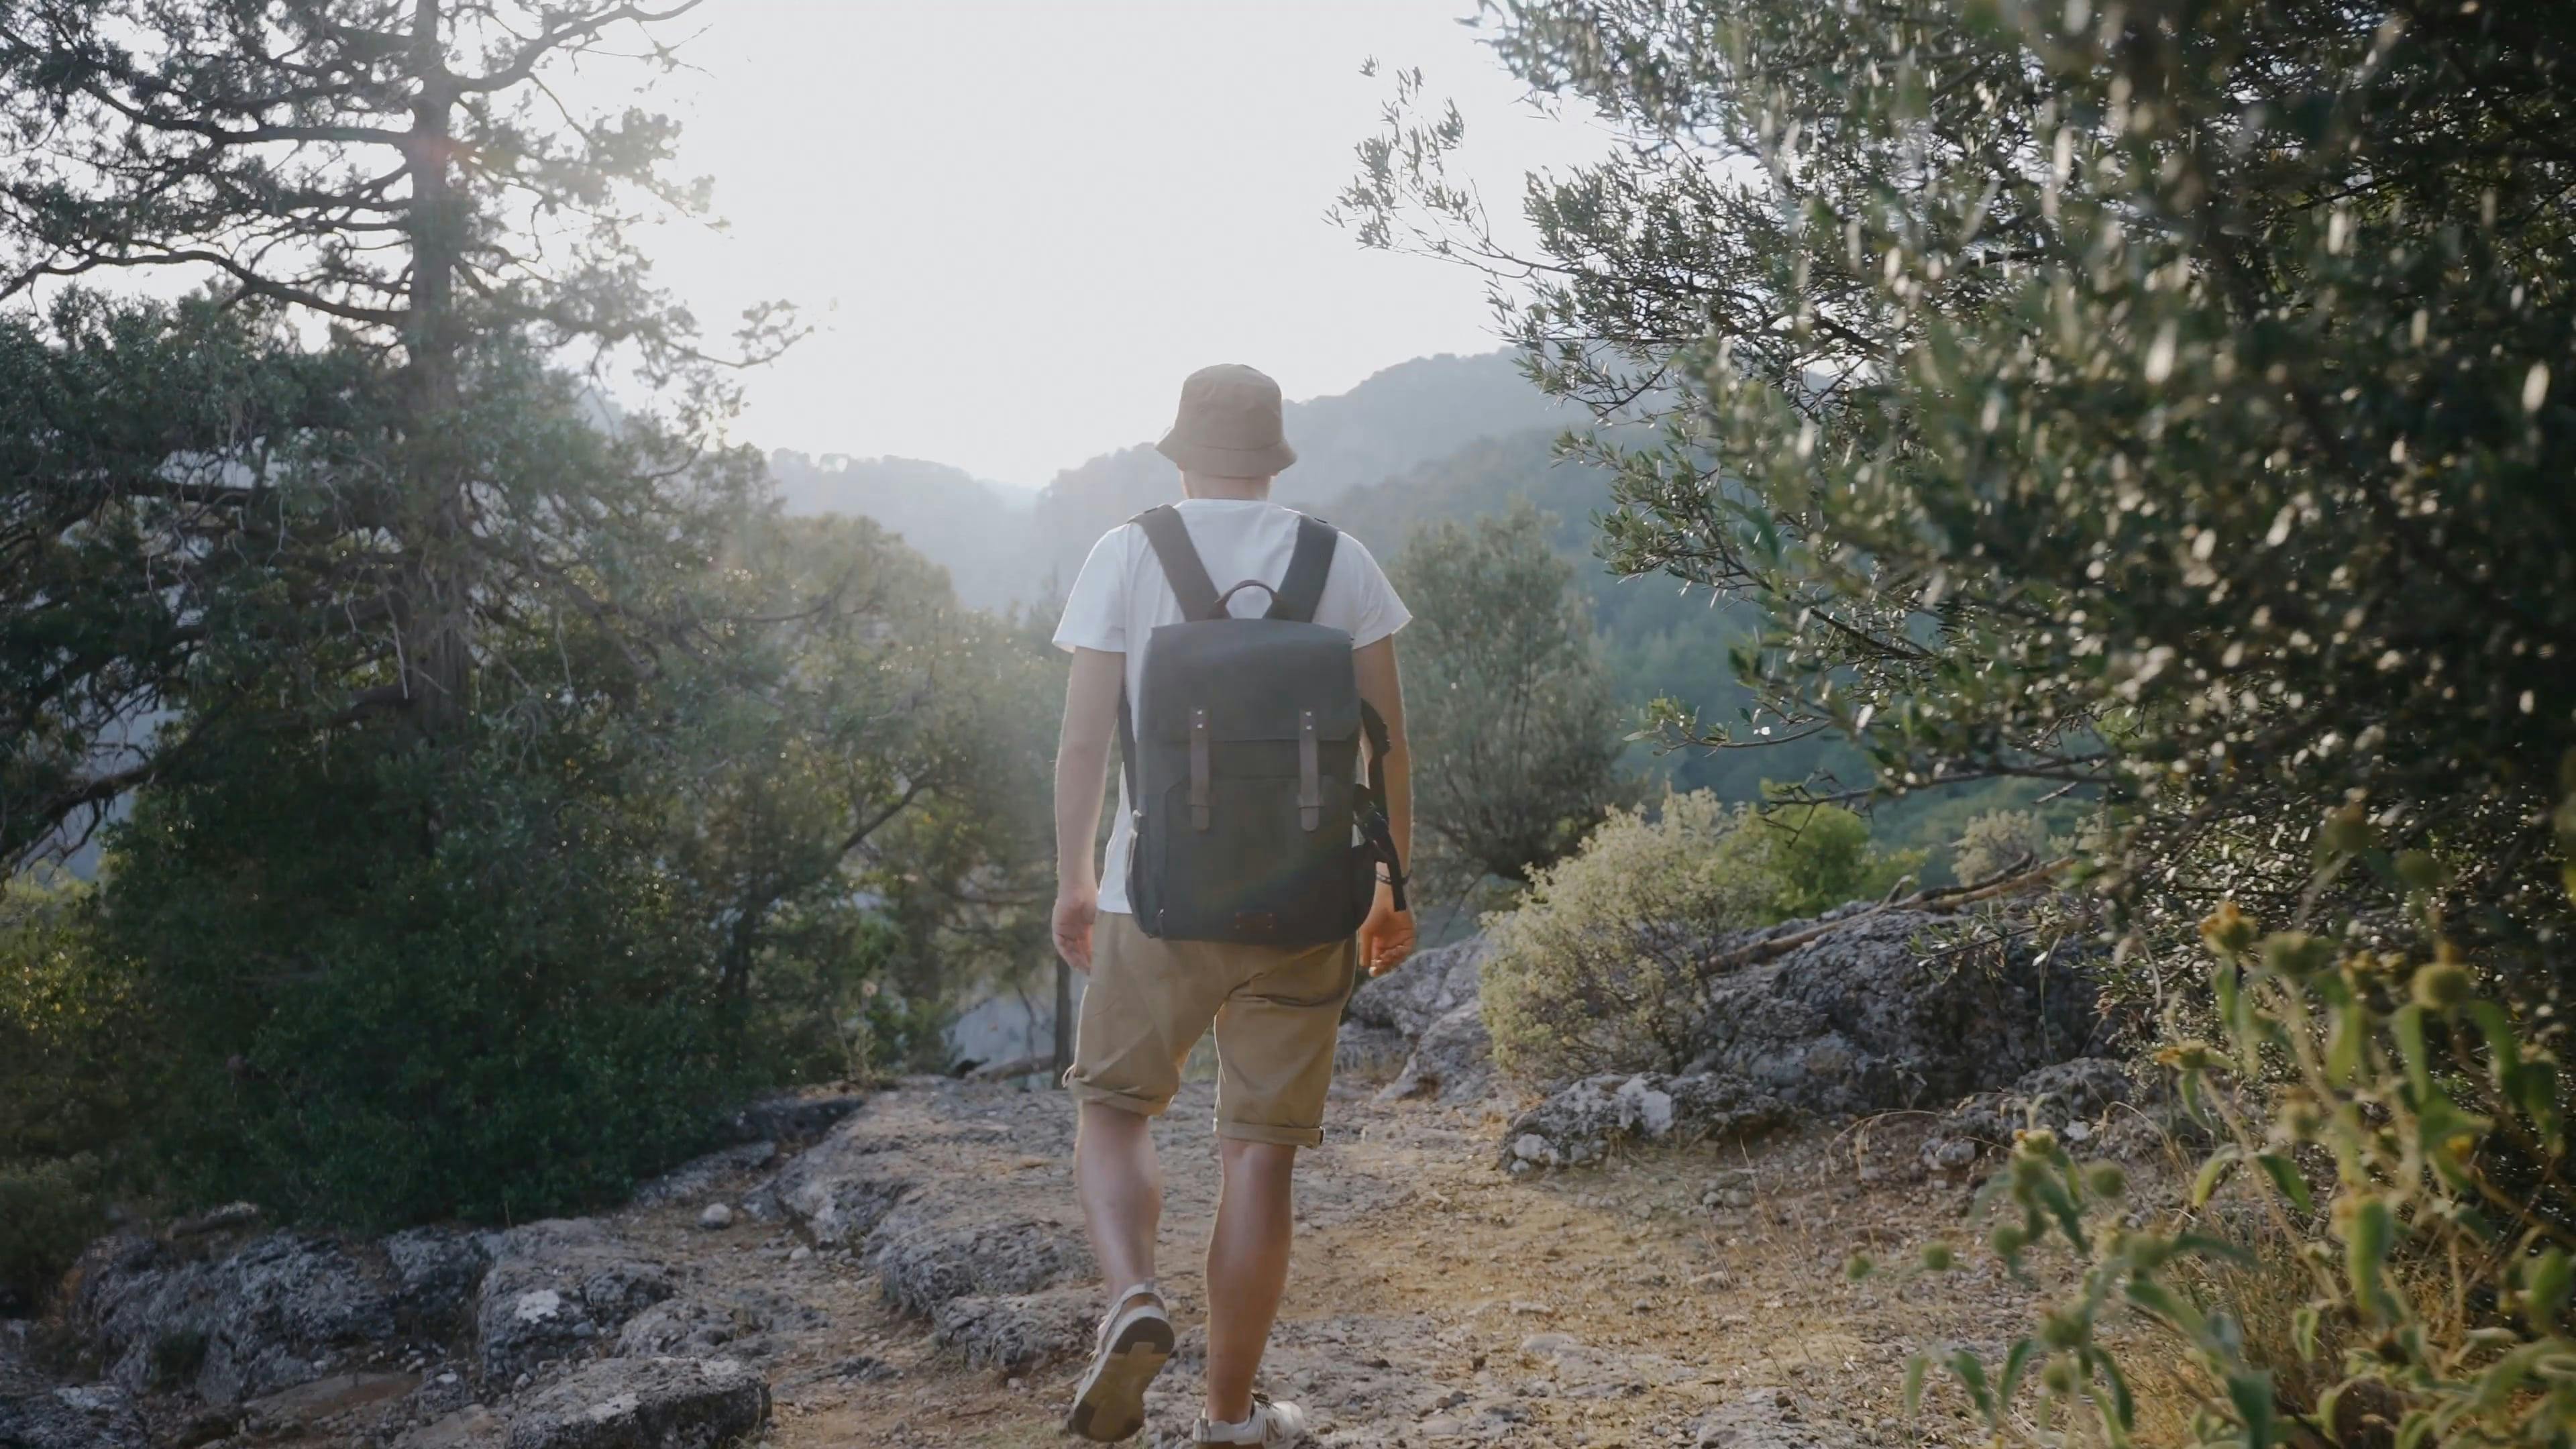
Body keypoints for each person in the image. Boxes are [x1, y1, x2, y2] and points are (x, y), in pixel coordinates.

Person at [1048, 363, 1416, 1446]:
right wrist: (1394, 884)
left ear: (1183, 450)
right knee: (1259, 1151)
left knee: (1115, 1112)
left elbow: (1080, 742)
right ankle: (1229, 1420)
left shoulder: (1126, 553)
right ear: (1275, 458)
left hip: (1153, 896)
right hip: (1306, 903)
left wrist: (1075, 875)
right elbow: (1386, 744)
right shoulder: (1339, 561)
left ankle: (1131, 1301)